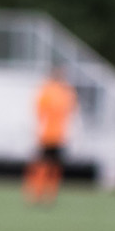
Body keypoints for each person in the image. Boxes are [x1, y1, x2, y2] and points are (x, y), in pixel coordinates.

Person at [25, 68, 76, 205]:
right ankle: (38, 194)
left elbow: (70, 114)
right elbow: (39, 113)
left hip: (56, 135)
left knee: (52, 166)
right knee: (45, 166)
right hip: (49, 135)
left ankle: (46, 194)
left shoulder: (64, 92)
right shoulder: (52, 91)